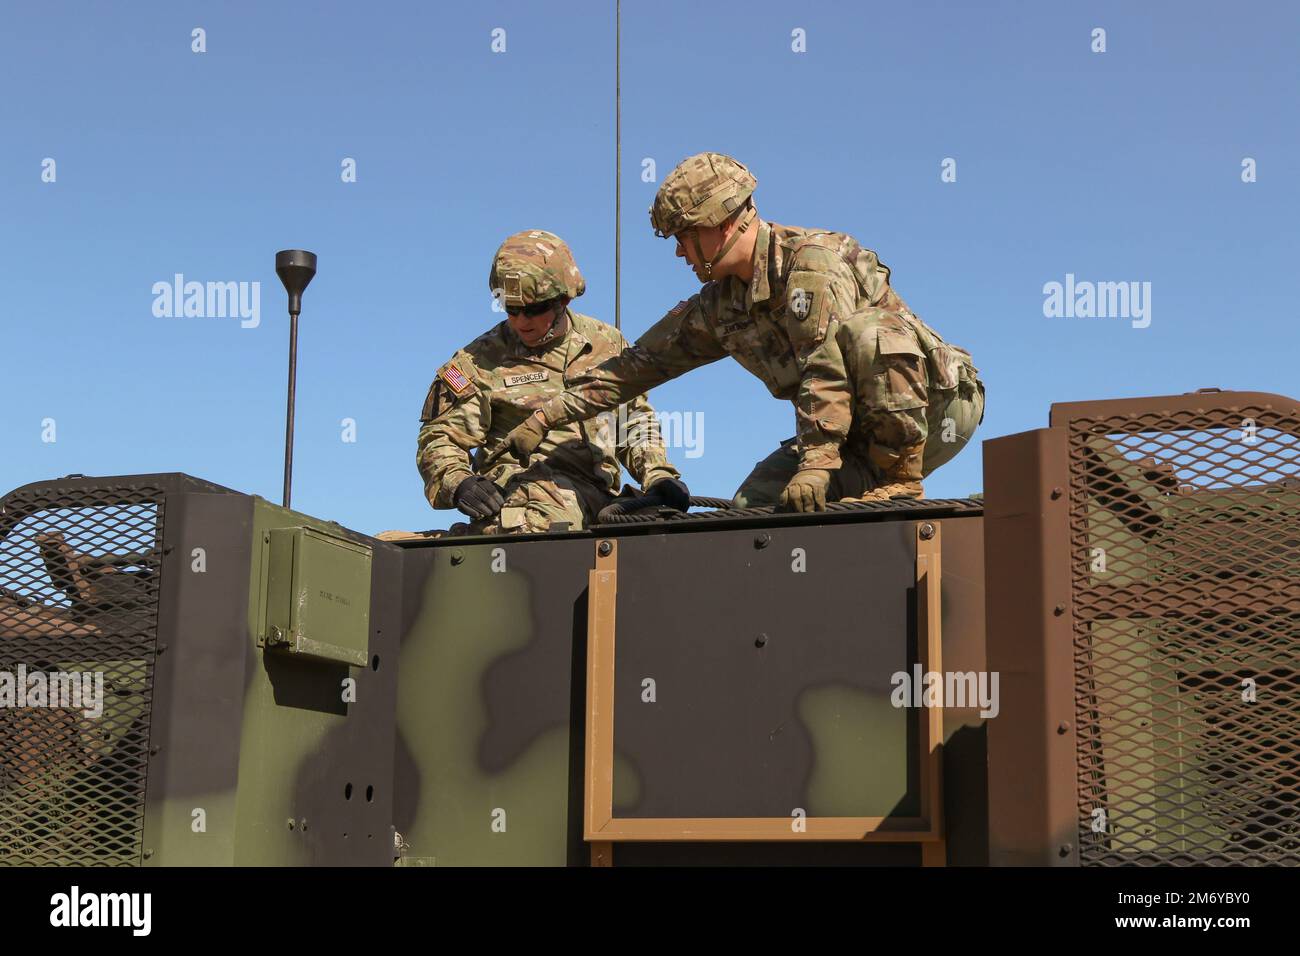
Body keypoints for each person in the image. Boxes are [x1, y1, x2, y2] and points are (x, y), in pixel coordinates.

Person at [491, 153, 985, 512]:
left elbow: (824, 369)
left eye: (684, 237)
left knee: (869, 334)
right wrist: (546, 417)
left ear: (718, 224)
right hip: (844, 431)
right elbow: (637, 366)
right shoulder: (721, 304)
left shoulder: (812, 265)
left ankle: (900, 481)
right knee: (752, 513)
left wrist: (816, 465)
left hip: (933, 408)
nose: (681, 253)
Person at [417, 230, 688, 534]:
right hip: (525, 496)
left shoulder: (606, 345)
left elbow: (633, 421)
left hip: (598, 500)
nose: (521, 321)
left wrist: (658, 475)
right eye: (511, 309)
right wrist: (459, 482)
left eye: (533, 310)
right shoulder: (479, 361)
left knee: (667, 534)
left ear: (563, 300)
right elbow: (441, 437)